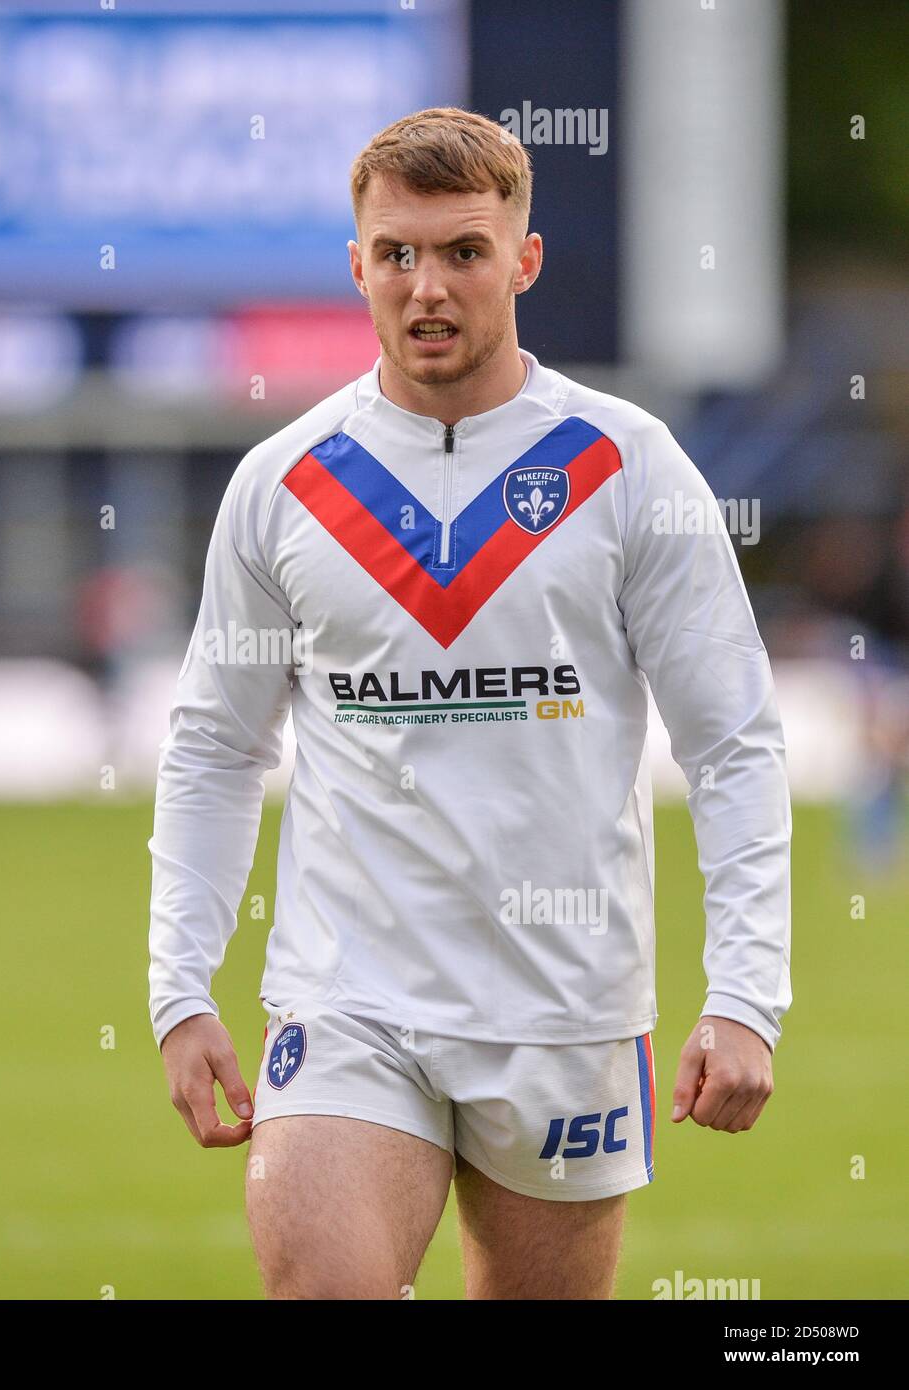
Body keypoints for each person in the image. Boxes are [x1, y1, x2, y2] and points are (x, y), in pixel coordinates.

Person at [147, 107, 791, 1300]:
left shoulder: (626, 465)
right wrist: (180, 988)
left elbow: (734, 745)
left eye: (461, 252)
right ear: (356, 266)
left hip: (564, 1012)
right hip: (348, 1008)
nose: (425, 287)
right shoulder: (282, 483)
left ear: (523, 260)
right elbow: (214, 749)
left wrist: (747, 996)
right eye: (395, 254)